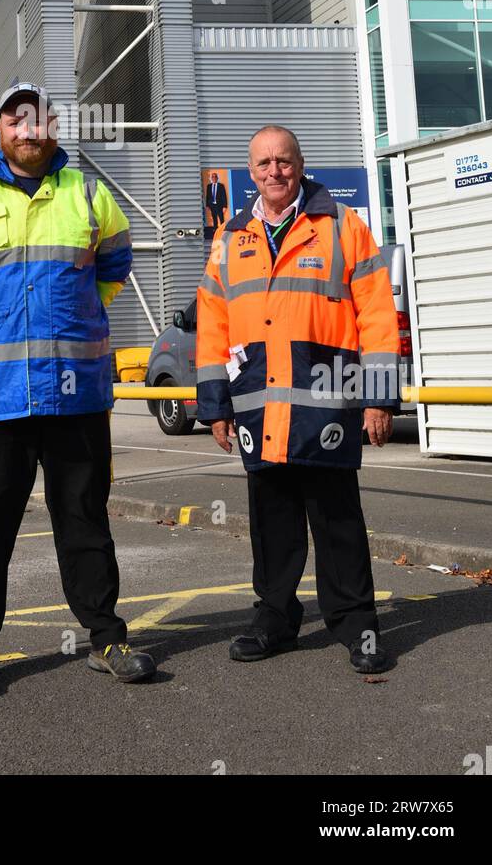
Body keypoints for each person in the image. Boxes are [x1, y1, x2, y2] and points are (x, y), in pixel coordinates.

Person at [0, 82, 156, 699]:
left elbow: (115, 266)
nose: (29, 131)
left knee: (83, 519)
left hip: (76, 393)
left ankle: (106, 638)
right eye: (15, 120)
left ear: (53, 128)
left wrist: (78, 313)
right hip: (0, 395)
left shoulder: (89, 193)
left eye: (39, 120)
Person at [196, 125, 400, 673]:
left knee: (337, 520)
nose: (273, 172)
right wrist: (214, 406)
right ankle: (274, 620)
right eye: (262, 163)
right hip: (258, 406)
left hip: (328, 404)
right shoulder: (231, 237)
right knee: (272, 521)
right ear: (251, 172)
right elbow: (213, 325)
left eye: (283, 161)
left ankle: (358, 624)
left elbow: (378, 314)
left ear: (300, 163)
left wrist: (378, 399)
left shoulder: (342, 225)